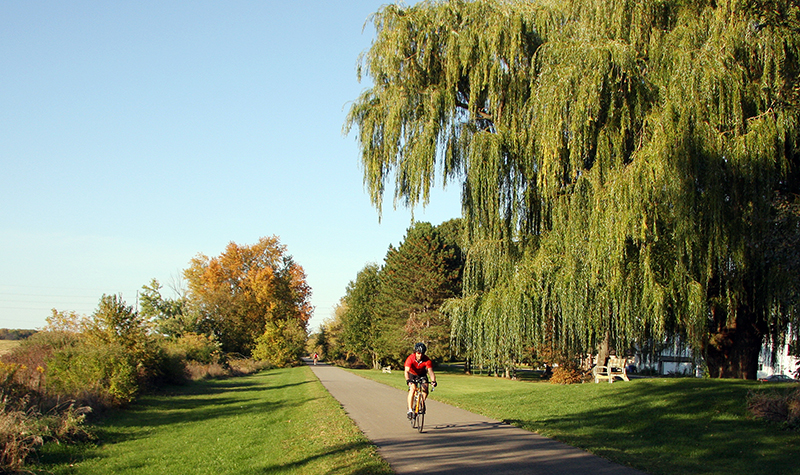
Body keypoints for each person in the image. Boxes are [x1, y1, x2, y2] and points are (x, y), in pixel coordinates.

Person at [404, 342, 437, 419]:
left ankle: (420, 403)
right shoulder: (410, 358)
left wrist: (433, 381)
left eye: (422, 353)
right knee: (412, 389)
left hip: (422, 374)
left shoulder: (427, 360)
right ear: (415, 352)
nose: (420, 355)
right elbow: (406, 371)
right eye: (418, 353)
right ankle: (410, 410)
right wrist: (408, 380)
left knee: (425, 389)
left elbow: (430, 371)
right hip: (412, 374)